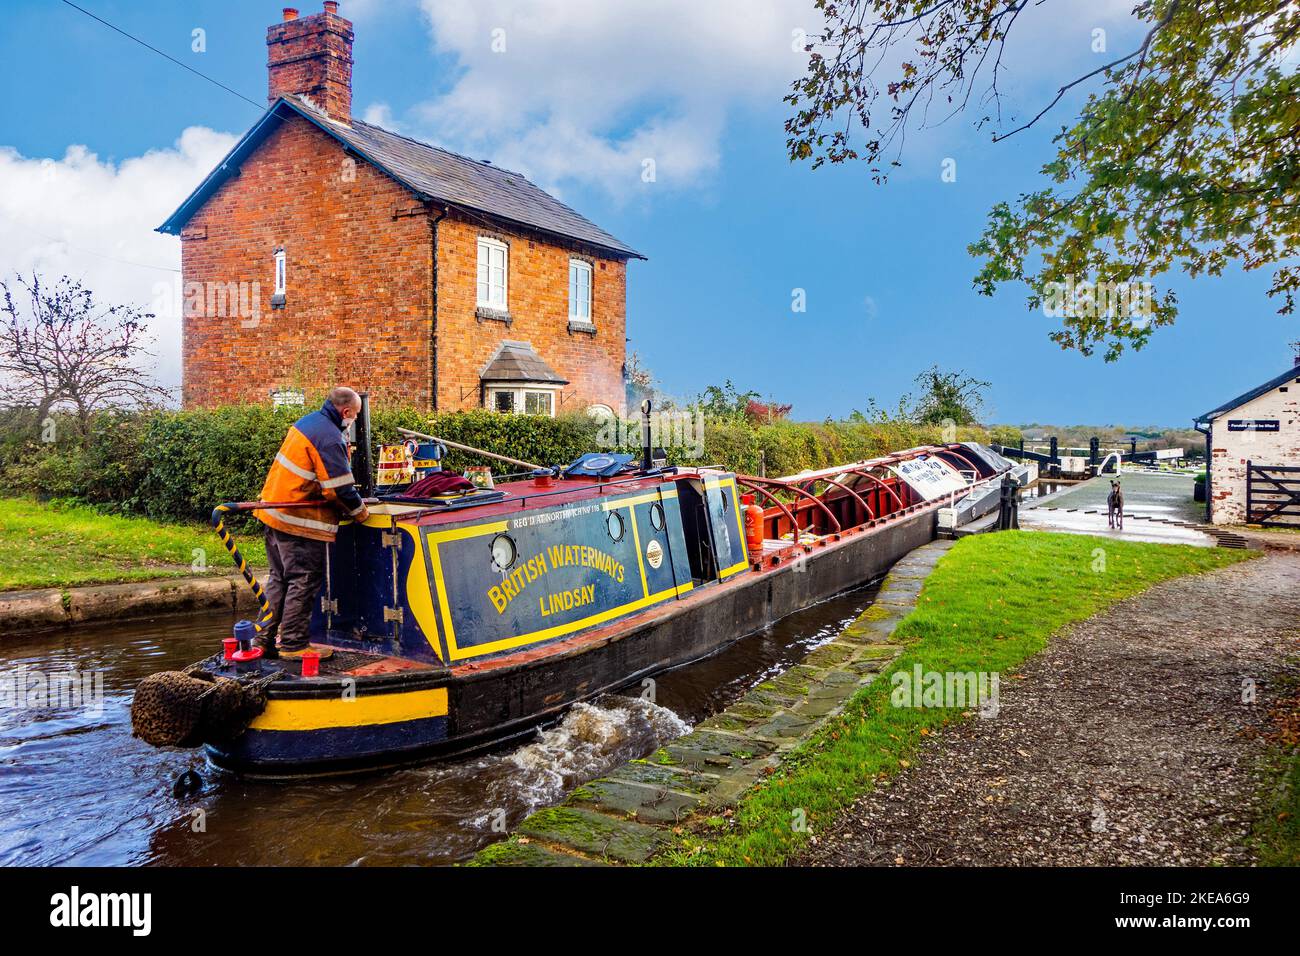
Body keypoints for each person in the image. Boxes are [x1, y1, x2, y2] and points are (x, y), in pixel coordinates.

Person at [255, 386, 370, 659]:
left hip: (273, 514)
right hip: (298, 523)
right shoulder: (329, 438)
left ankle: (263, 640)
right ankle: (294, 645)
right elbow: (339, 489)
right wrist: (361, 513)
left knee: (279, 580)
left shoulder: (307, 423)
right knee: (303, 580)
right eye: (354, 416)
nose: (353, 421)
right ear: (345, 412)